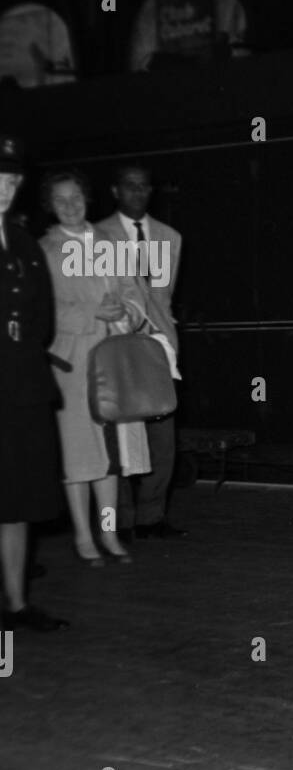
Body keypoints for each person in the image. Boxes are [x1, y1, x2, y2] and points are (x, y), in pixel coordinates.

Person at [39, 170, 150, 566]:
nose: (70, 206)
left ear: (88, 199)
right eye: (60, 200)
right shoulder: (46, 251)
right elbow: (45, 313)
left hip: (115, 360)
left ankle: (108, 531)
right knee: (78, 457)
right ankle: (84, 537)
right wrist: (92, 312)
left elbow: (136, 295)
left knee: (110, 459)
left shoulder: (109, 243)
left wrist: (126, 312)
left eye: (76, 198)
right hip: (72, 365)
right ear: (50, 206)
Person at [0, 135, 68, 631]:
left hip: (22, 388)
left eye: (11, 181)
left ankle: (17, 605)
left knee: (16, 500)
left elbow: (42, 318)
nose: (5, 190)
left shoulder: (21, 240)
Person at [100, 162, 184, 539]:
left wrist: (166, 343)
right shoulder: (94, 236)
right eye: (129, 186)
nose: (137, 192)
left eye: (143, 186)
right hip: (113, 347)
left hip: (158, 350)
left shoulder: (169, 237)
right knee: (116, 436)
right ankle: (121, 520)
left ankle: (152, 517)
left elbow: (161, 299)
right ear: (116, 191)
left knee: (161, 435)